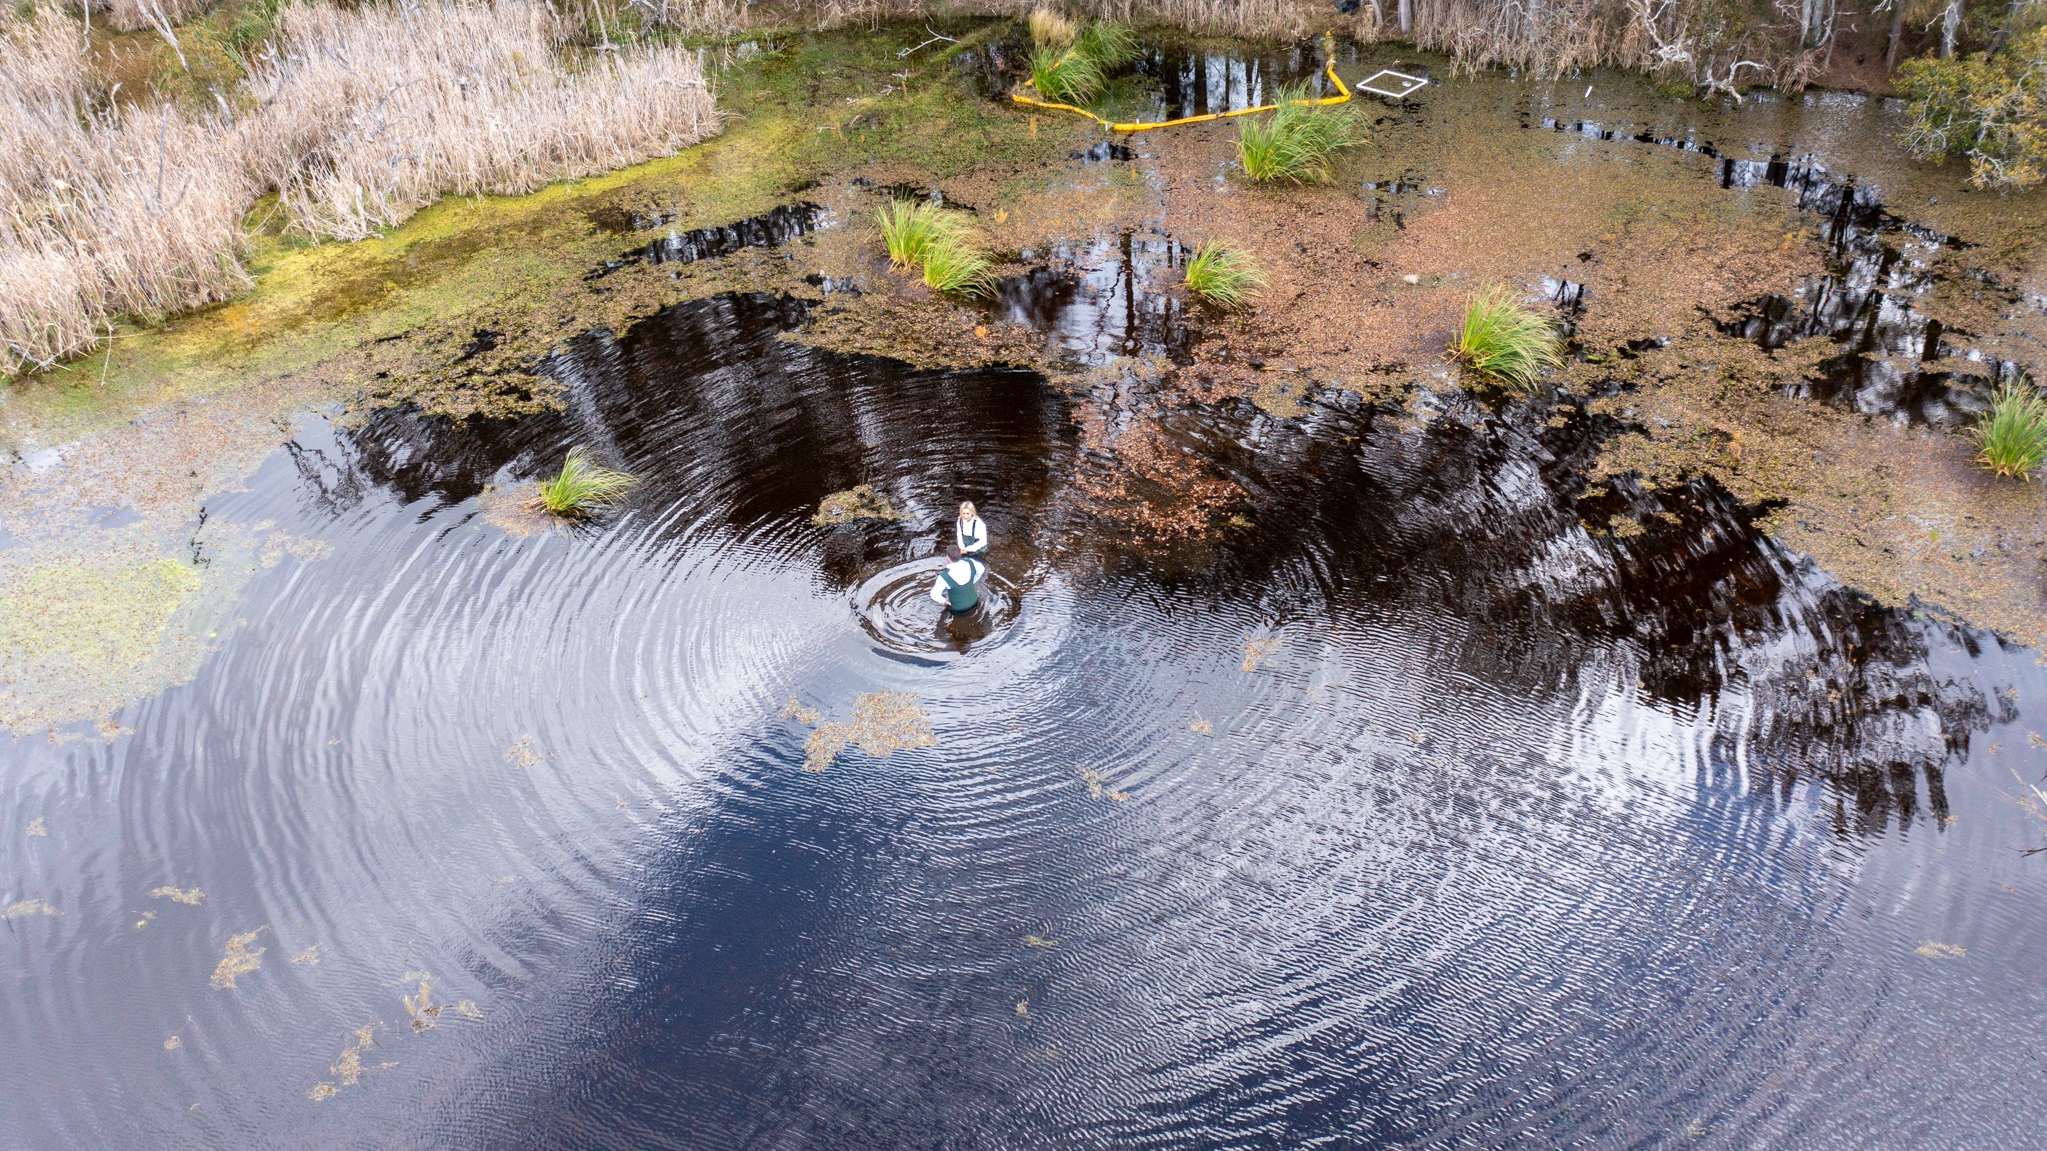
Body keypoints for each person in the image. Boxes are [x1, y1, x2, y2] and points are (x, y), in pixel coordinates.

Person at [928, 544, 987, 614]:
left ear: (948, 557)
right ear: (960, 554)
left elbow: (934, 595)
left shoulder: (944, 577)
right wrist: (973, 581)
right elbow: (981, 569)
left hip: (959, 610)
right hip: (975, 603)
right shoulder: (970, 562)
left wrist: (945, 601)